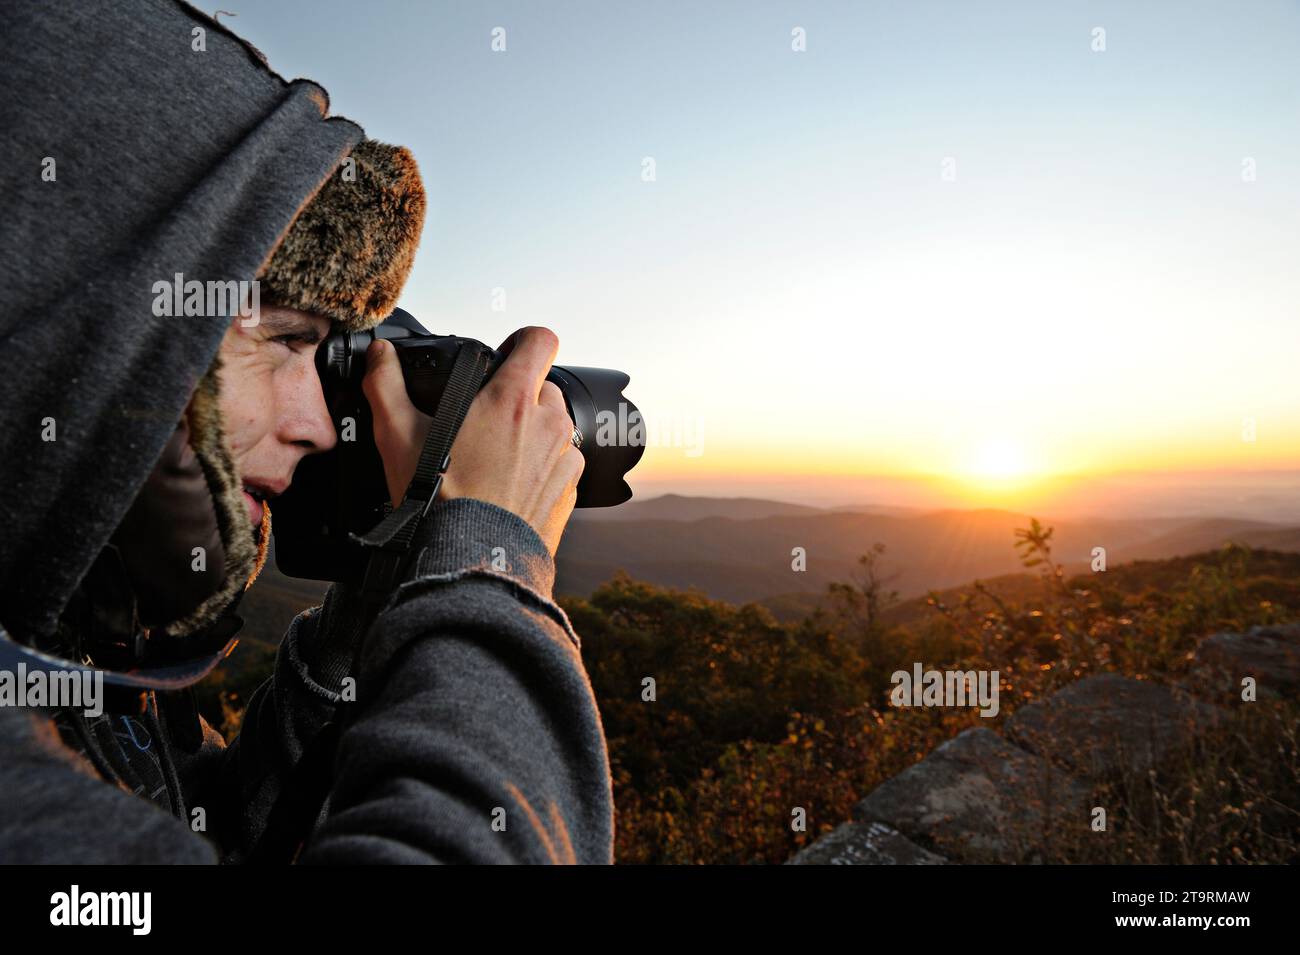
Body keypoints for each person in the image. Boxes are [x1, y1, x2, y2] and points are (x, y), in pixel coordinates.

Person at [0, 0, 613, 864]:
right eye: (286, 339)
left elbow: (195, 829)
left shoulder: (64, 641)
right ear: (83, 318)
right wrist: (489, 574)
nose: (321, 424)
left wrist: (365, 618)